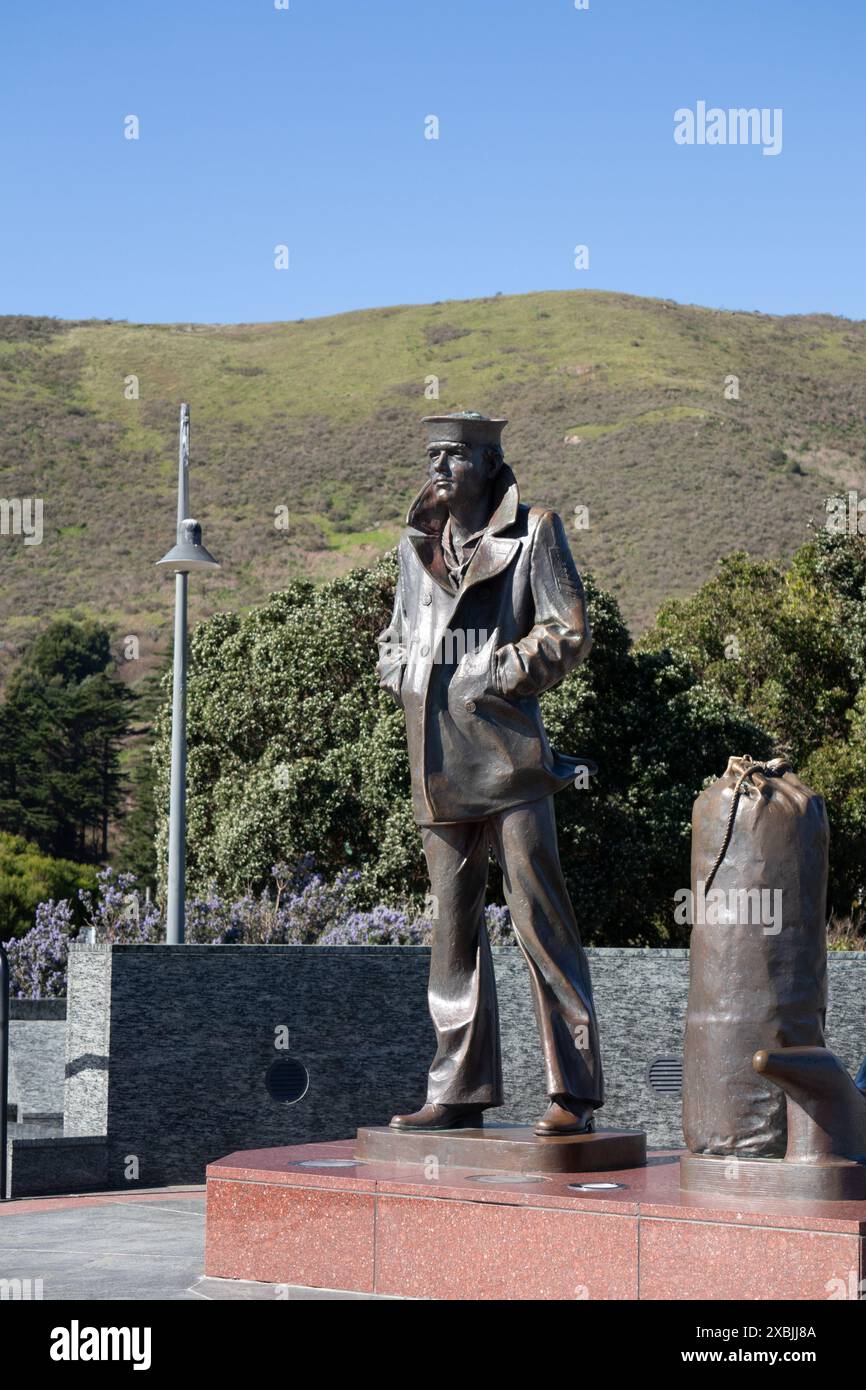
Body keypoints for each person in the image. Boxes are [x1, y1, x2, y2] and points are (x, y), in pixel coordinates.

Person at [376, 412, 603, 1135]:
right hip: (435, 760)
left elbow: (569, 630)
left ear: (489, 461)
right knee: (452, 933)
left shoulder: (534, 530)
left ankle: (573, 1093)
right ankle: (458, 1091)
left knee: (542, 926)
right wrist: (402, 673)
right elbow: (396, 635)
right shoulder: (415, 549)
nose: (440, 468)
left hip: (509, 762)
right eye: (433, 455)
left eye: (455, 456)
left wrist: (496, 671)